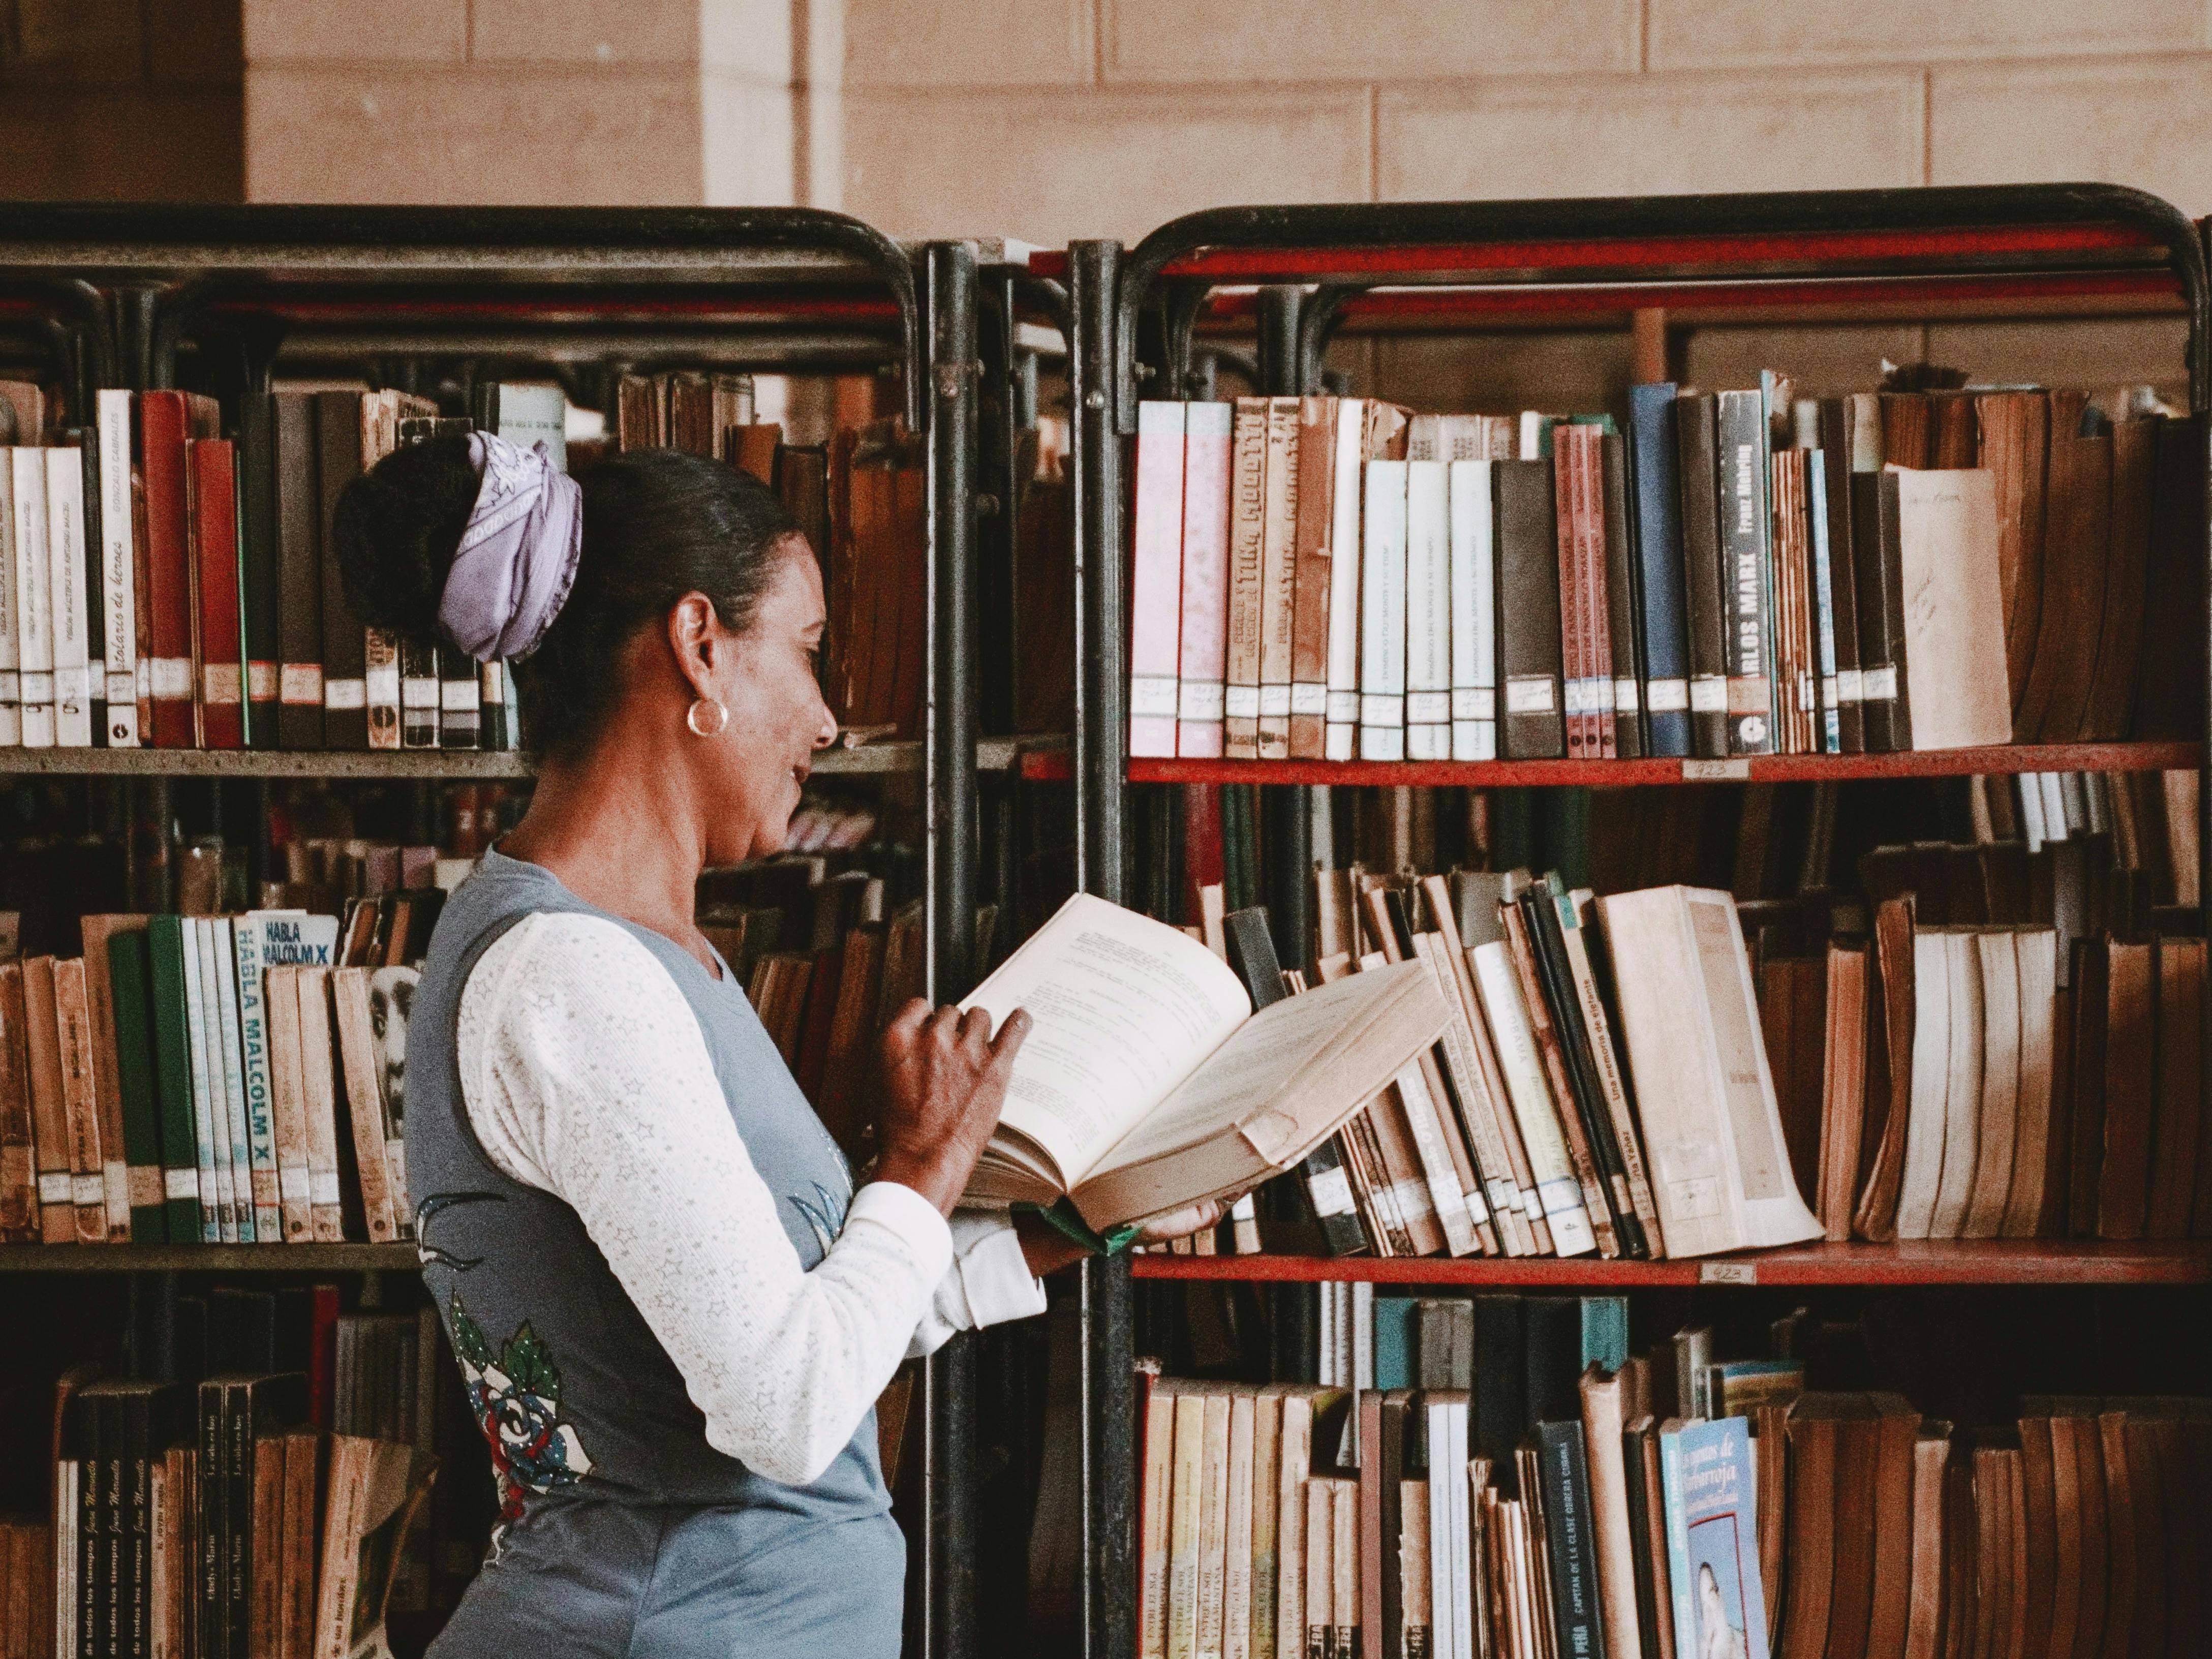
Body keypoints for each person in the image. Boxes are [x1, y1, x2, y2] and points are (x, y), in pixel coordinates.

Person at [334, 432, 1218, 1657]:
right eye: (805, 652)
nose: (828, 717)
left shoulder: (653, 952)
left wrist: (1056, 1225)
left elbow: (804, 1321)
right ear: (701, 645)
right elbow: (787, 1409)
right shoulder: (574, 978)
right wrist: (919, 1167)